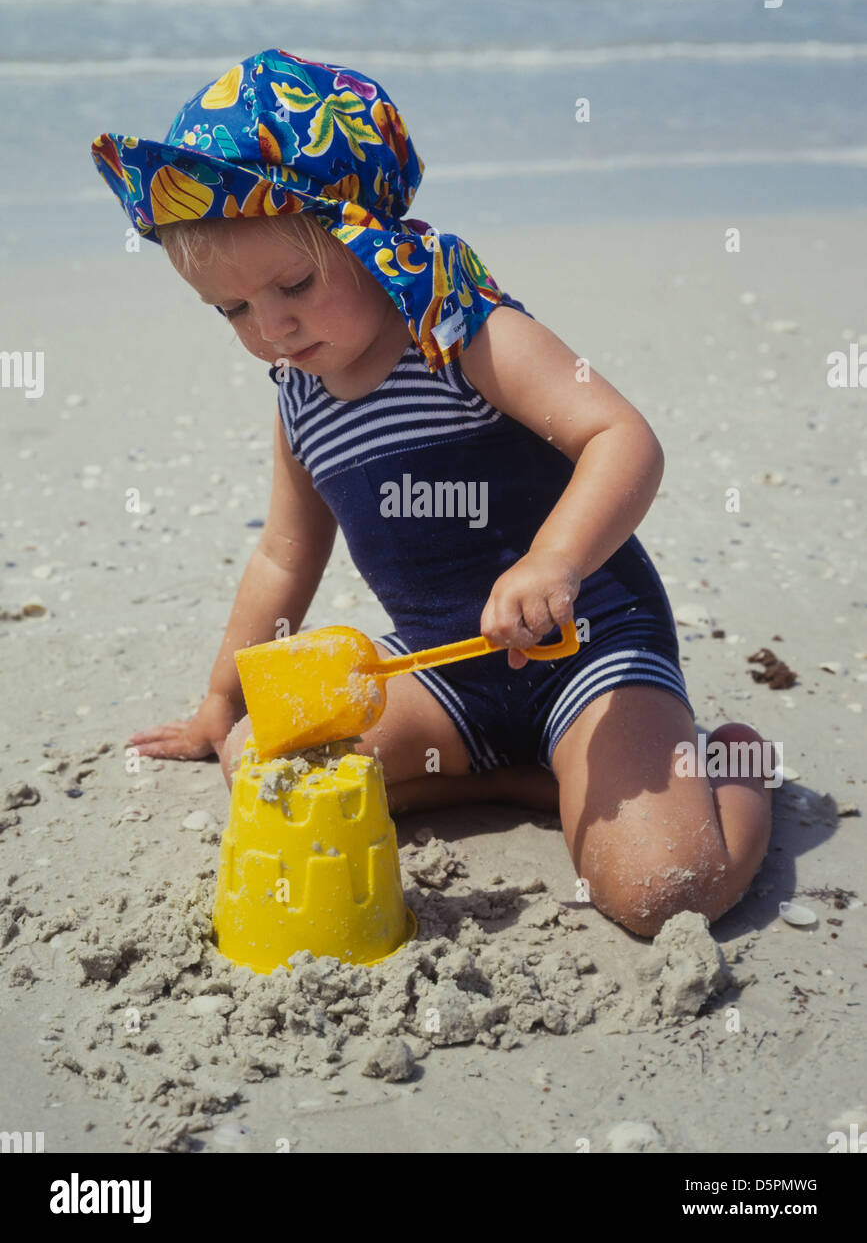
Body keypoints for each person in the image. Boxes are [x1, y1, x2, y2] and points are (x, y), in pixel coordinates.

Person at [91, 47, 773, 938]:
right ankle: (523, 773)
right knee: (260, 760)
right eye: (233, 310)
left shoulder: (460, 330)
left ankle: (736, 764)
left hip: (592, 650)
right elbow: (284, 553)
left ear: (364, 233)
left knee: (661, 893)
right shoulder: (300, 399)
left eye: (292, 284)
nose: (271, 327)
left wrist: (552, 560)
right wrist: (217, 706)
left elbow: (622, 438)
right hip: (442, 670)